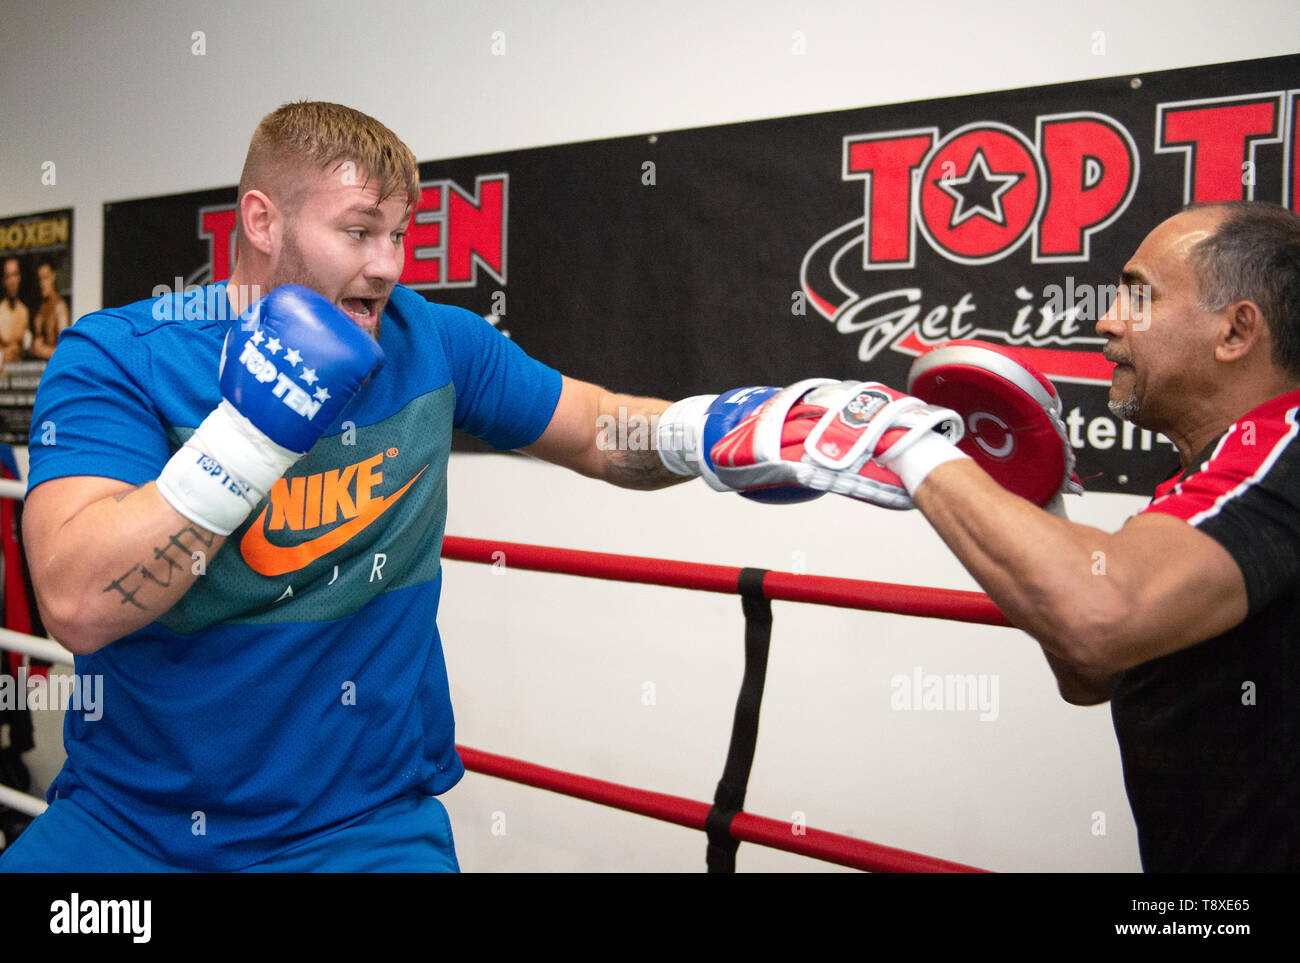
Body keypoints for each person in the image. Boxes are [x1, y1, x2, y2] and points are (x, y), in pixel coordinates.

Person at [0, 101, 764, 872]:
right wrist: (249, 436)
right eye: (359, 231)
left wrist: (723, 436)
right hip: (131, 825)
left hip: (359, 831)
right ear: (262, 222)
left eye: (399, 234)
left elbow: (598, 430)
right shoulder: (121, 357)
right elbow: (75, 604)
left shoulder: (431, 341)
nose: (389, 265)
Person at [730, 201, 1300, 871]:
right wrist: (1039, 505)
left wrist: (907, 444)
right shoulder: (1203, 482)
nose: (1107, 320)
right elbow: (1093, 671)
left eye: (1140, 296)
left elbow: (1100, 614)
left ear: (1235, 330)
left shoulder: (1287, 450)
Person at [29, 262, 71, 360]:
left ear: (53, 276)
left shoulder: (60, 308)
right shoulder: (40, 308)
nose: (42, 284)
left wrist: (43, 351)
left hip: (56, 365)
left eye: (45, 278)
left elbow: (65, 349)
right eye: (40, 279)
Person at [0, 258, 30, 364]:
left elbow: (26, 349)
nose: (12, 282)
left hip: (19, 370)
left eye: (15, 275)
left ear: (19, 278)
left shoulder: (24, 312)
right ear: (3, 281)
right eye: (8, 276)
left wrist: (20, 350)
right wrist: (3, 354)